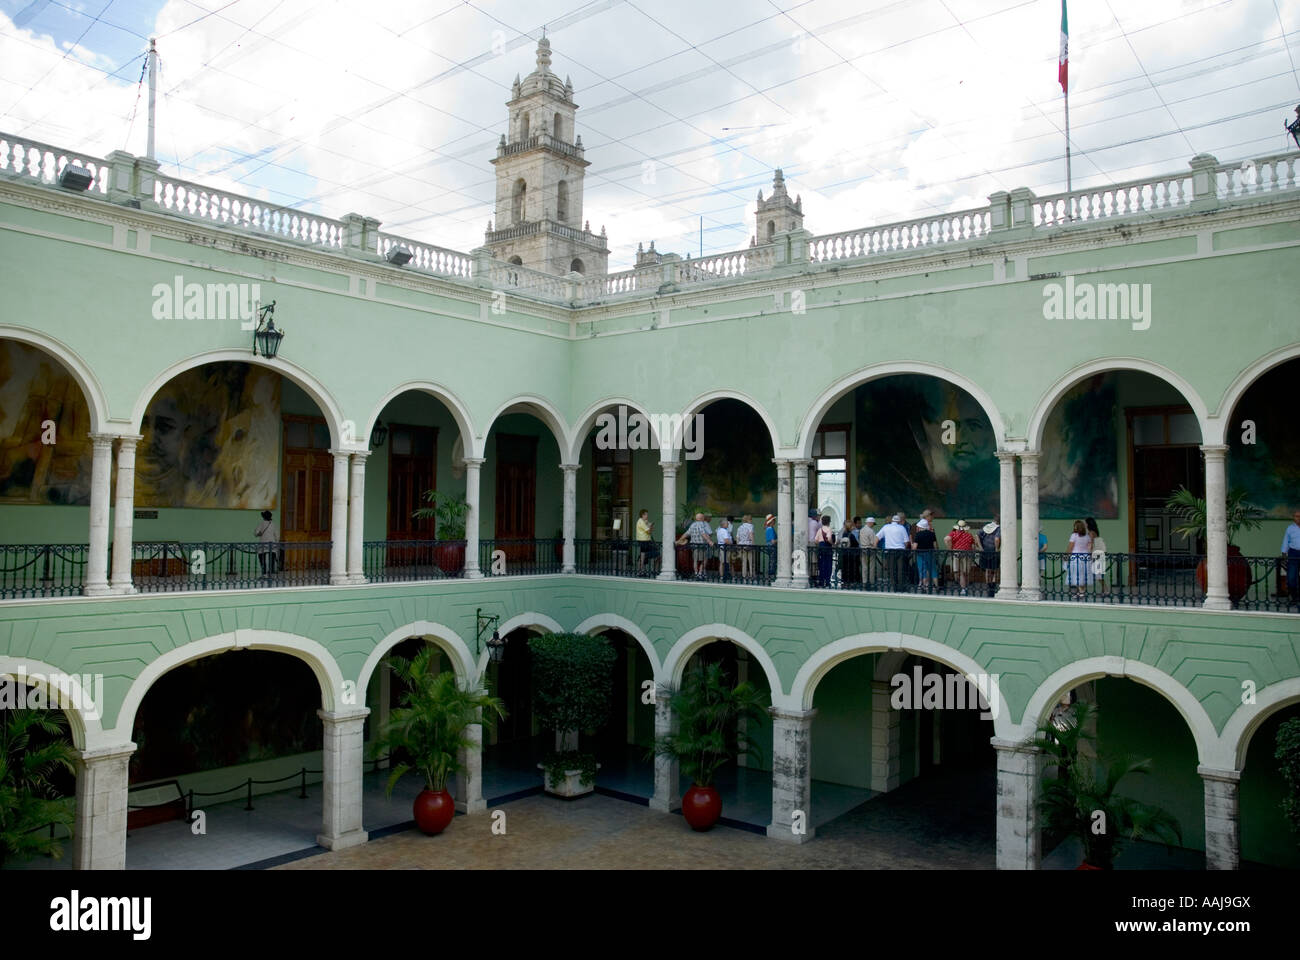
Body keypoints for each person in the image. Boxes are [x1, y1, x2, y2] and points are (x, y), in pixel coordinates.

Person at [876, 513, 910, 590]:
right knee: (900, 570)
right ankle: (901, 587)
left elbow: (877, 537)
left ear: (892, 521)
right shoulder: (902, 528)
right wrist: (904, 548)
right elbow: (906, 541)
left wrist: (874, 546)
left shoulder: (886, 527)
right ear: (899, 521)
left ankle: (894, 586)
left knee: (892, 570)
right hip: (900, 551)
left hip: (890, 551)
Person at [944, 519, 976, 594]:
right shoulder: (969, 535)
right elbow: (974, 545)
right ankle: (965, 586)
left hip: (956, 553)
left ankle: (963, 587)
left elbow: (946, 539)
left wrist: (950, 549)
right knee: (966, 572)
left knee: (960, 572)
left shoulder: (953, 533)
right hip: (967, 554)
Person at [1067, 520, 1093, 599]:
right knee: (1083, 574)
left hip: (1076, 557)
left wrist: (1067, 556)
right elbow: (1090, 548)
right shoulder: (1087, 536)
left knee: (1076, 574)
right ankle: (1082, 591)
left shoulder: (1074, 536)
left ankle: (1081, 592)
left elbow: (1070, 547)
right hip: (1085, 557)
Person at [685, 512, 713, 578]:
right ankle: (700, 573)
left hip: (694, 545)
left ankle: (696, 573)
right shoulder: (702, 524)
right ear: (702, 518)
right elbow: (704, 533)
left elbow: (687, 533)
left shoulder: (692, 525)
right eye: (703, 517)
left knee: (695, 560)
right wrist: (709, 541)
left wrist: (679, 540)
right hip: (702, 545)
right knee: (705, 559)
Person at [913, 517, 938, 591]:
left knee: (922, 569)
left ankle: (925, 586)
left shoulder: (918, 535)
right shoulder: (932, 534)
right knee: (933, 569)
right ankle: (936, 586)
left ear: (920, 527)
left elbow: (915, 547)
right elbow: (935, 545)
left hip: (920, 554)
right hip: (930, 553)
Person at [1282, 509, 1300, 604]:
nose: (1298, 518)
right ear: (1293, 518)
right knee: (1292, 577)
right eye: (1296, 516)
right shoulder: (1290, 528)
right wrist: (1284, 554)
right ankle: (1294, 598)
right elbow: (1286, 541)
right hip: (1293, 553)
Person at [980, 517, 1001, 597]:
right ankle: (993, 586)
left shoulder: (986, 527)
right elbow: (996, 539)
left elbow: (977, 536)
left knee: (987, 570)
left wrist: (980, 547)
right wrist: (996, 548)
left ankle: (988, 586)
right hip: (993, 552)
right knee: (996, 570)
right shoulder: (999, 529)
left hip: (985, 551)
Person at [813, 514, 836, 587]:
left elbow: (816, 540)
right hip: (827, 548)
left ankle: (821, 581)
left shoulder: (820, 530)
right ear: (829, 522)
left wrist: (820, 543)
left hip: (821, 547)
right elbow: (829, 538)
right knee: (828, 565)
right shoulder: (829, 529)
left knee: (821, 565)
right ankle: (827, 581)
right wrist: (832, 544)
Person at [1086, 517, 1107, 594]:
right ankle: (1105, 590)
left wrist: (1090, 554)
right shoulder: (1094, 531)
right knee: (1097, 575)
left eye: (1086, 523)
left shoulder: (1091, 532)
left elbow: (1091, 543)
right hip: (1098, 555)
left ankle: (1105, 590)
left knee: (1097, 575)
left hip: (1095, 555)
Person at [254, 509, 277, 575]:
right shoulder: (273, 524)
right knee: (272, 558)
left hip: (263, 544)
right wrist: (276, 542)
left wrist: (259, 534)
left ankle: (264, 572)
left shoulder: (261, 524)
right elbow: (276, 535)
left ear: (263, 517)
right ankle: (271, 571)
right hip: (272, 544)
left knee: (261, 557)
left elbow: (255, 533)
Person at [635, 508, 658, 575]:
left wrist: (650, 525)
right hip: (643, 541)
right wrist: (651, 526)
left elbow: (650, 530)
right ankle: (640, 571)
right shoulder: (641, 522)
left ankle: (646, 571)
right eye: (646, 514)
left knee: (655, 554)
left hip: (647, 541)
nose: (647, 516)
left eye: (647, 514)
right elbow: (649, 531)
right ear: (642, 515)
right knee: (643, 556)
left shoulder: (644, 521)